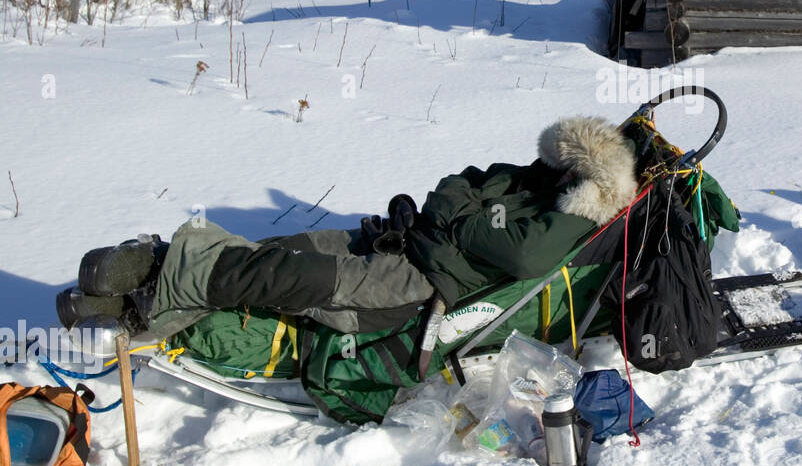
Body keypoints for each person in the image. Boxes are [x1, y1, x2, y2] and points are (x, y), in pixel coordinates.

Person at [57, 117, 640, 339]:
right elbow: (456, 183)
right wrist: (454, 219)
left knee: (286, 277)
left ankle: (155, 279)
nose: (554, 165)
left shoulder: (574, 216)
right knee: (282, 248)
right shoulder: (530, 178)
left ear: (587, 174)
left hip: (416, 288)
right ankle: (153, 282)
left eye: (570, 163)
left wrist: (451, 220)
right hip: (402, 239)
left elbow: (512, 256)